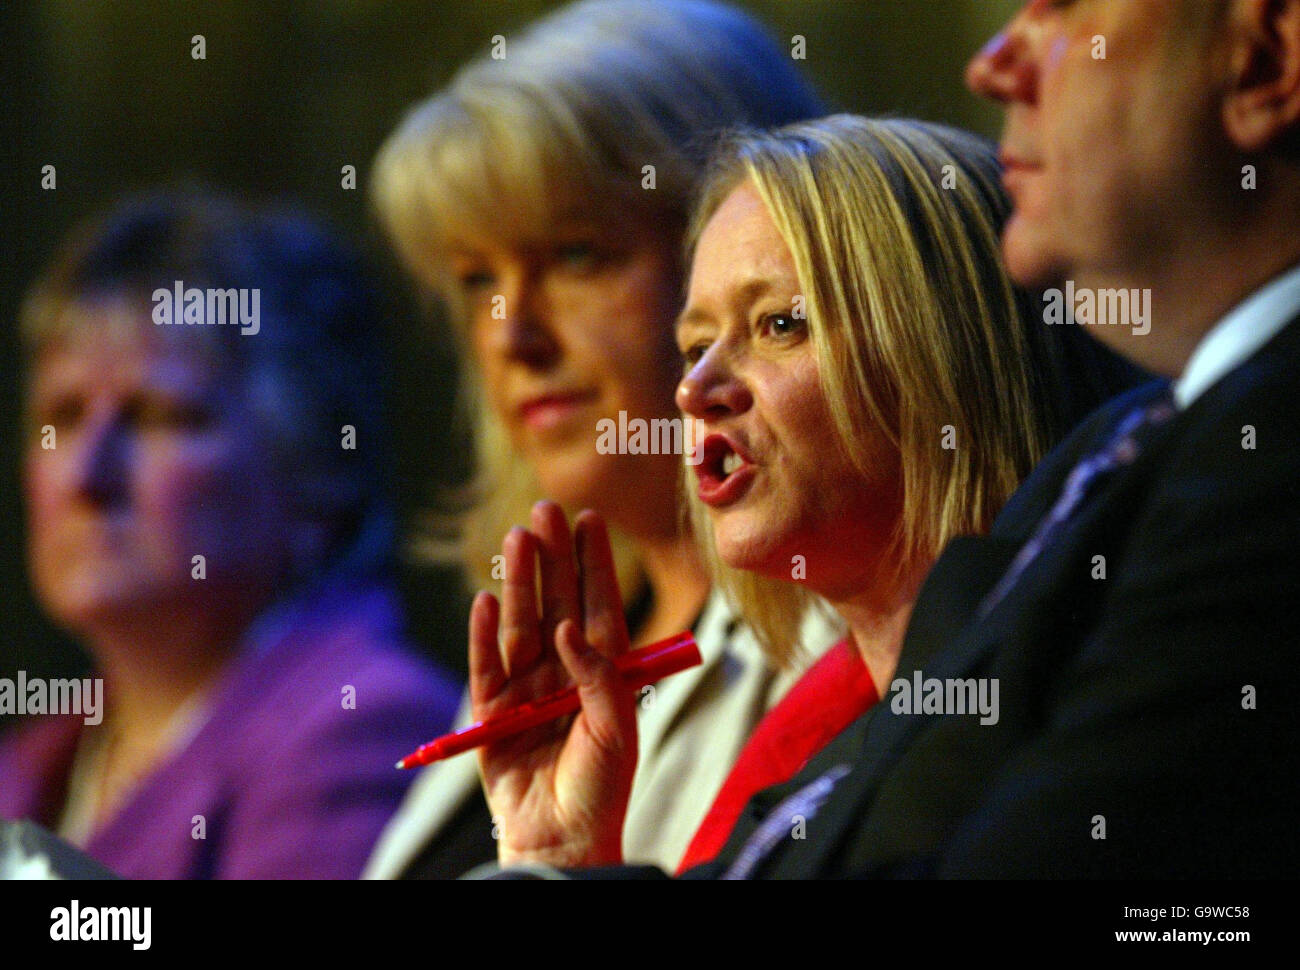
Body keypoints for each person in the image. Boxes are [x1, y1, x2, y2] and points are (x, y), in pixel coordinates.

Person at [462, 115, 1142, 874]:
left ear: (953, 362)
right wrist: (559, 858)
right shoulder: (807, 746)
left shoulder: (1082, 695)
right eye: (694, 346)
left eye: (779, 324)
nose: (694, 390)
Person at [360, 0, 837, 878]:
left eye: (577, 256)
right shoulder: (548, 651)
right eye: (477, 281)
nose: (512, 336)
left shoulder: (843, 647)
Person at [0, 187, 462, 879]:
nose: (87, 475)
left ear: (319, 477)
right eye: (62, 416)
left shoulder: (358, 724)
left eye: (161, 415)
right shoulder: (32, 761)